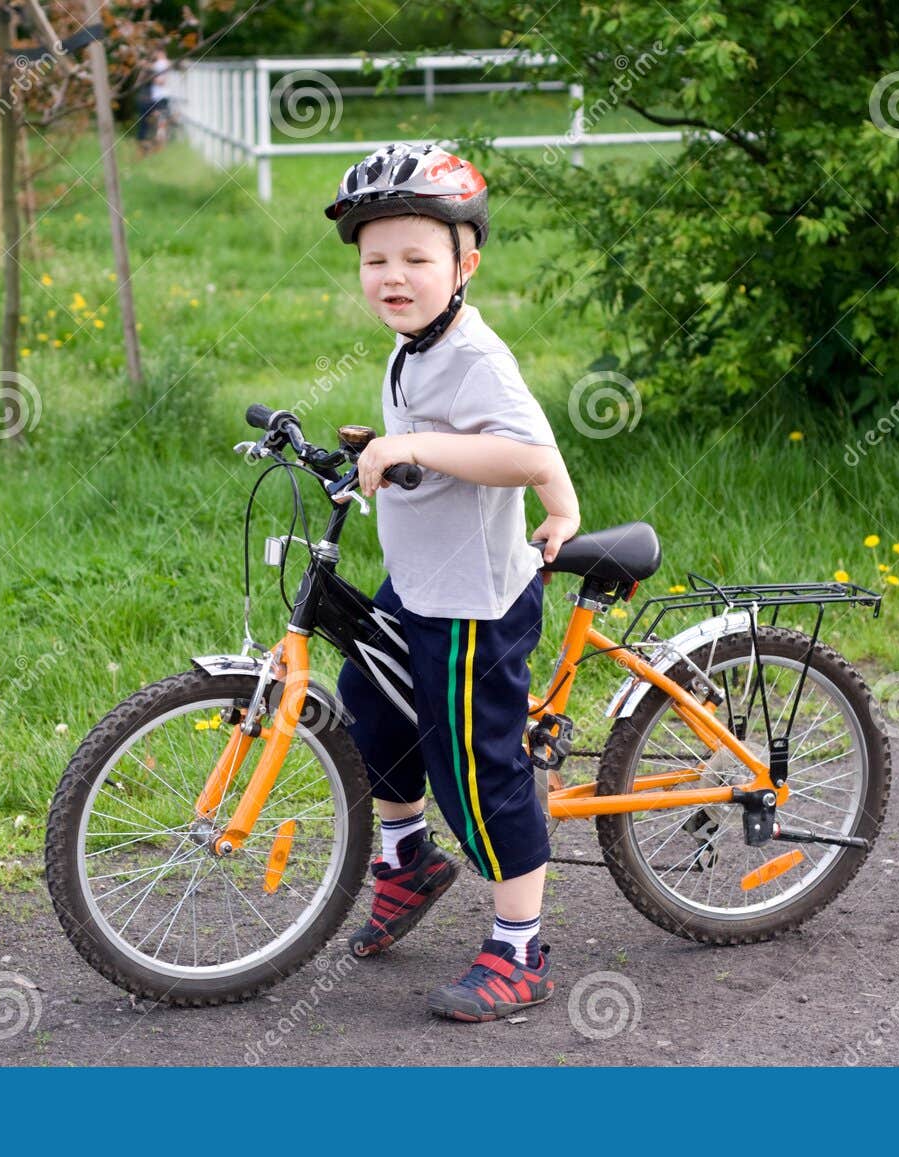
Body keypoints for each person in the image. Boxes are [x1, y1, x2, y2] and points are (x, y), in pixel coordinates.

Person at [324, 144, 581, 1022]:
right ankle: (407, 859)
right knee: (372, 695)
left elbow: (523, 447)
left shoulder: (473, 354)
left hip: (474, 602)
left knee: (477, 769)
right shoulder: (413, 347)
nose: (392, 276)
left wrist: (417, 447)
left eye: (416, 258)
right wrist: (377, 449)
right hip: (420, 583)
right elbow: (496, 439)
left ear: (466, 264)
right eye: (375, 260)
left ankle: (521, 948)